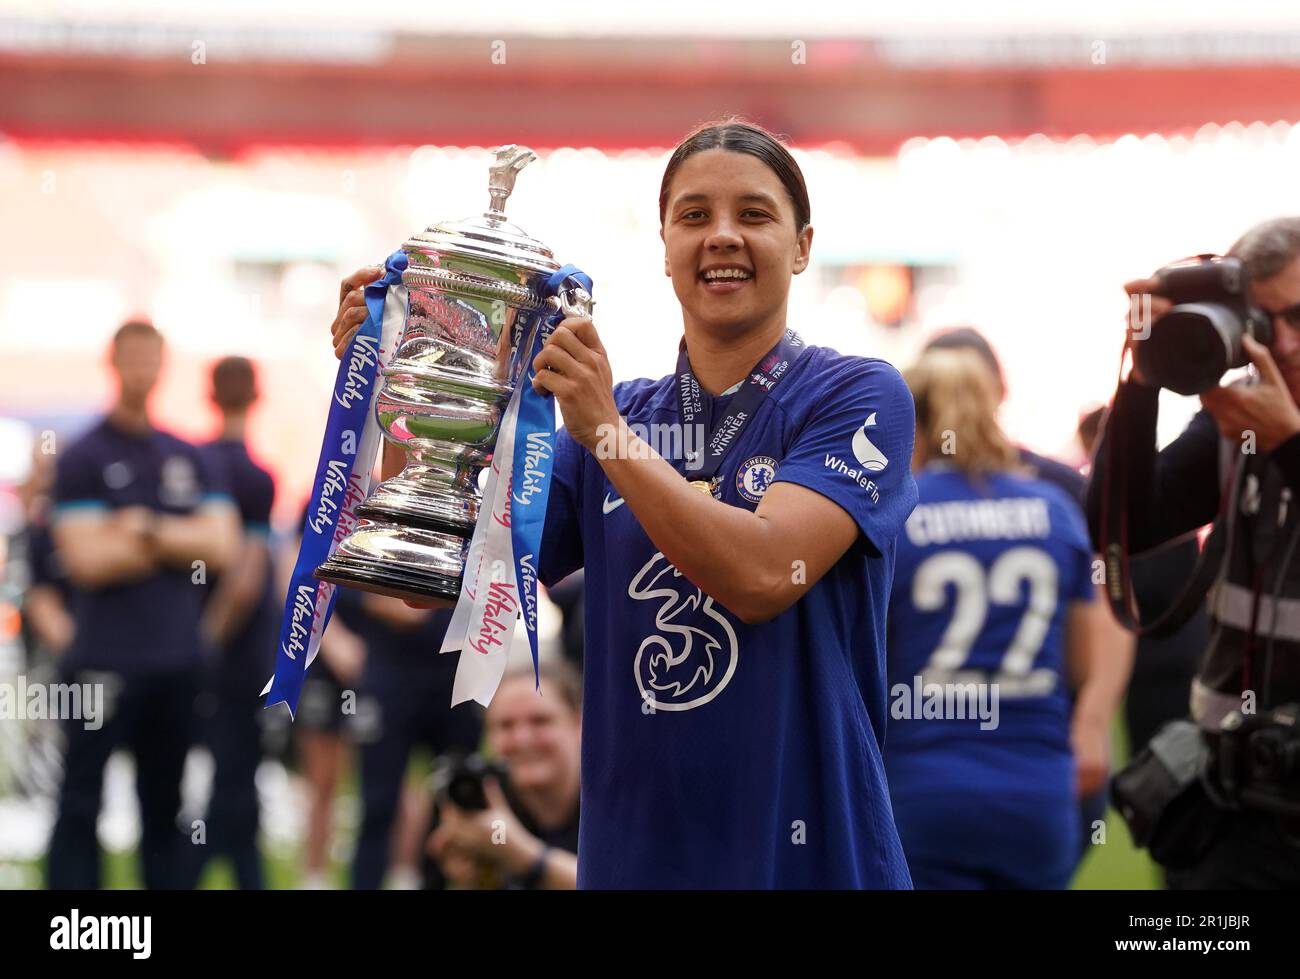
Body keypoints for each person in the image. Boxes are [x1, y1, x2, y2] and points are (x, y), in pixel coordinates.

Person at [334, 119, 919, 888]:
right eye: (694, 215)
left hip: (810, 857)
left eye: (753, 215)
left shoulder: (854, 392)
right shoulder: (615, 417)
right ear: (666, 245)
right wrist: (409, 388)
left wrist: (607, 433)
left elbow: (767, 572)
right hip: (634, 860)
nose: (721, 237)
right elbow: (433, 583)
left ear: (802, 246)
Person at [1085, 216, 1300, 888]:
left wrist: (1289, 447)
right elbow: (1115, 528)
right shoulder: (1234, 423)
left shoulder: (1263, 429)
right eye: (1264, 324)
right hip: (1227, 799)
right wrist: (1144, 375)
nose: (1285, 343)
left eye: (1299, 317)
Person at [885, 348, 1114, 889]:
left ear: (913, 422)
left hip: (924, 792)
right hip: (1035, 794)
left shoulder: (897, 513)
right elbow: (1082, 663)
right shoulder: (1054, 509)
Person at [46, 320, 239, 889]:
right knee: (80, 804)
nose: (140, 368)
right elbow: (86, 560)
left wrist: (142, 528)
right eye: (130, 357)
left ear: (162, 365)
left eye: (150, 357)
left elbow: (222, 546)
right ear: (113, 362)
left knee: (166, 807)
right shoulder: (82, 455)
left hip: (176, 662)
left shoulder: (188, 454)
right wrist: (181, 539)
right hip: (100, 659)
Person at [185, 356, 277, 889]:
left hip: (205, 647)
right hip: (239, 654)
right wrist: (209, 643)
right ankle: (236, 870)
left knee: (213, 774)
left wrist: (195, 642)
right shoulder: (254, 476)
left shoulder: (197, 465)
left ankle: (207, 867)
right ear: (256, 396)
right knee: (236, 774)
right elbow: (245, 581)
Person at [342, 590, 482, 890]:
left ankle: (431, 881)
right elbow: (325, 569)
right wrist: (375, 601)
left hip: (458, 669)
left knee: (454, 802)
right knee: (377, 804)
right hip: (389, 672)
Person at [426, 659, 581, 890]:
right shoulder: (476, 798)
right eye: (506, 726)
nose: (522, 740)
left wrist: (519, 854)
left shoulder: (620, 801)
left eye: (540, 721)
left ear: (579, 723)